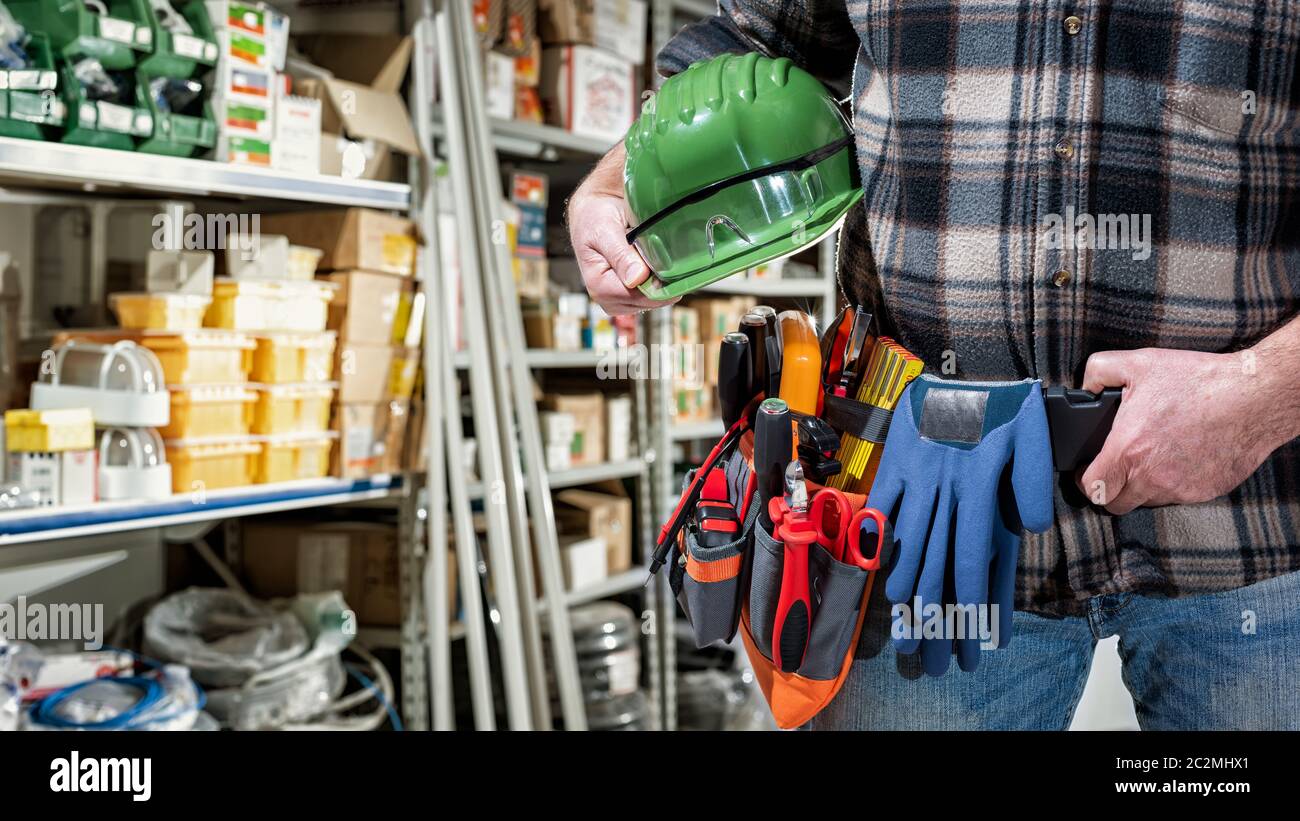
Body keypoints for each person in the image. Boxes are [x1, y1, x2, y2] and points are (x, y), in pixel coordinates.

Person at [567, 1, 1300, 730]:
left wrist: (1263, 393)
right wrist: (620, 179)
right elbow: (746, 45)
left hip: (1253, 512)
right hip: (918, 517)